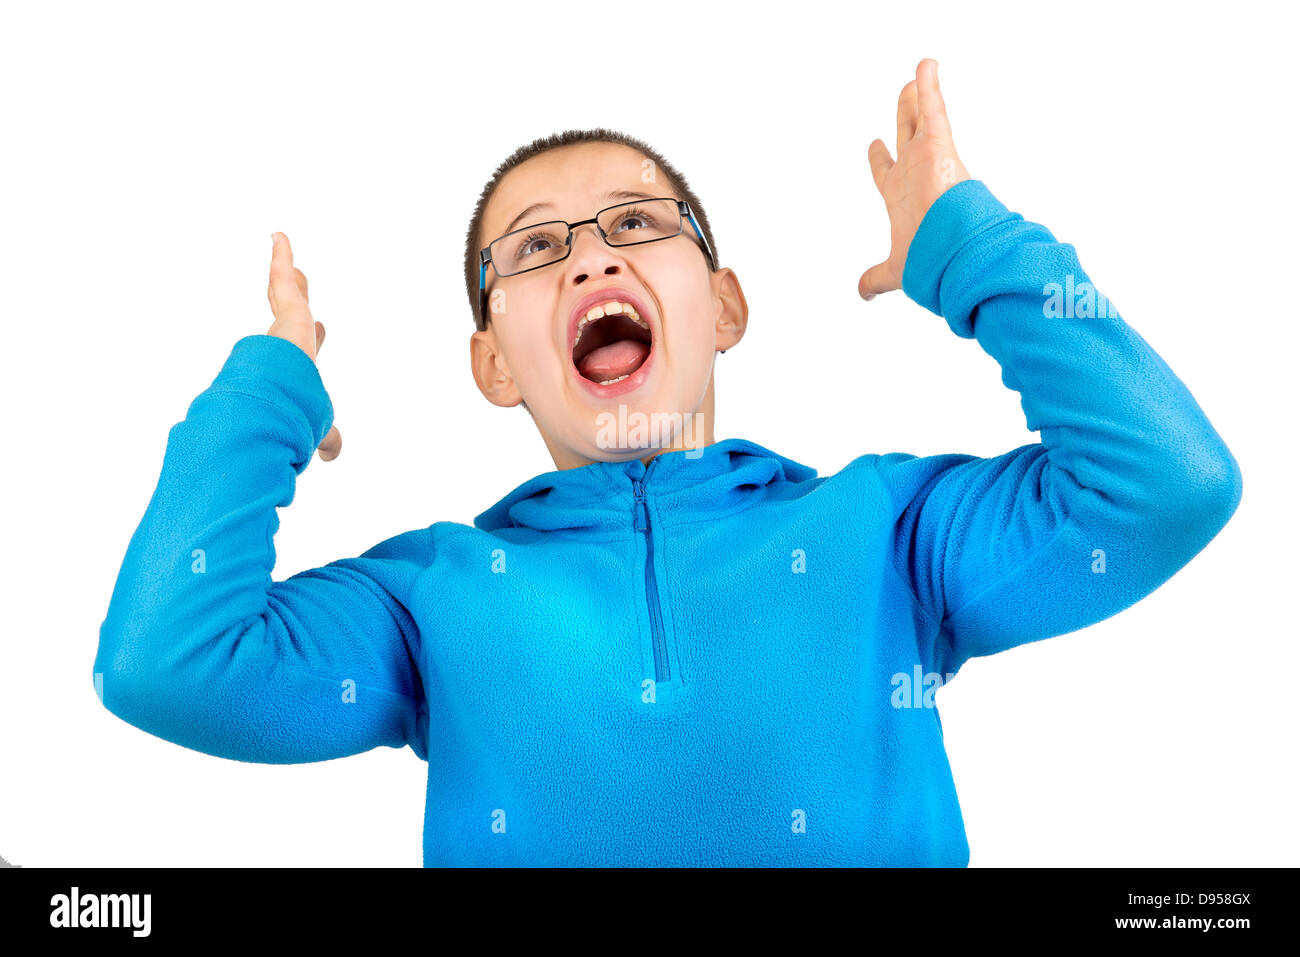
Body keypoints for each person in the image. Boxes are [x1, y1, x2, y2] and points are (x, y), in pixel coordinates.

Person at [94, 59, 1242, 866]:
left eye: (638, 224)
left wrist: (968, 247)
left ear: (725, 304)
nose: (592, 263)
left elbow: (1163, 484)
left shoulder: (890, 532)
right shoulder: (425, 597)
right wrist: (267, 394)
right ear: (494, 363)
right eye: (536, 249)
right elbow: (164, 663)